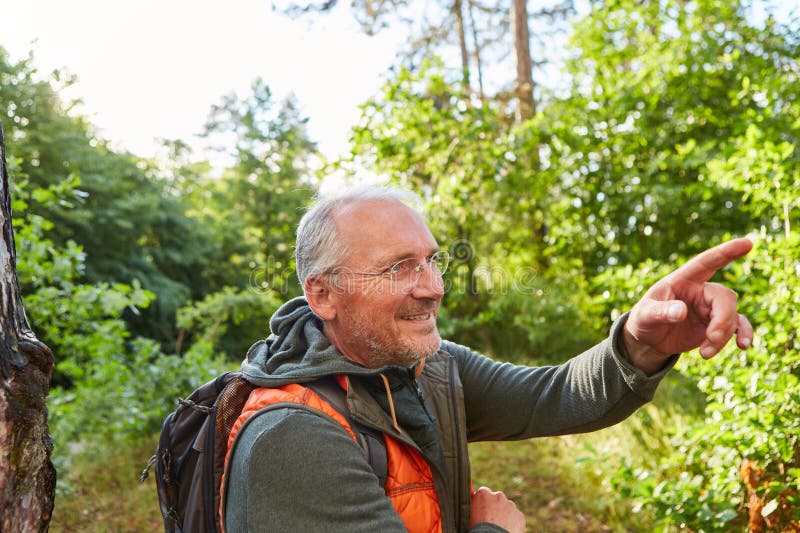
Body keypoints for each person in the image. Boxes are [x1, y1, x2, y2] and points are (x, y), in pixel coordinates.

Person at [221, 186, 753, 533]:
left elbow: (557, 396)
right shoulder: (292, 435)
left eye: (431, 261)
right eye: (399, 268)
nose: (433, 288)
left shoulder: (431, 368)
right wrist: (494, 530)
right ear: (323, 295)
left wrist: (644, 340)